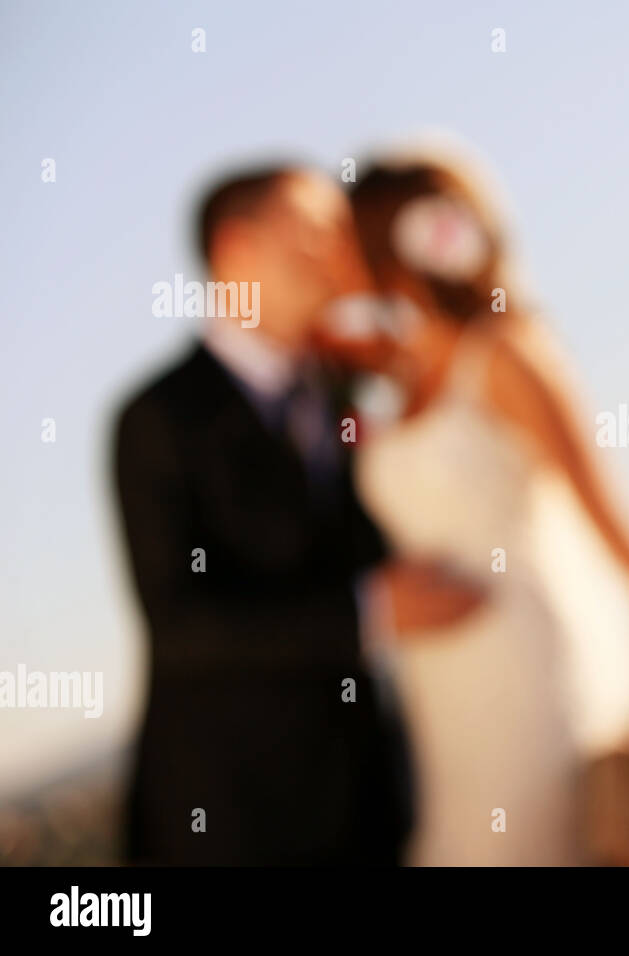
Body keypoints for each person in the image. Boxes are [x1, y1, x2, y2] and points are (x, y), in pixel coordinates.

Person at [326, 151, 629, 865]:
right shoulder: (405, 366)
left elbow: (615, 524)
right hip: (444, 697)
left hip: (526, 676)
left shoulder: (508, 357)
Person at [112, 166, 478, 865]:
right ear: (234, 247)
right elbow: (182, 622)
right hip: (232, 821)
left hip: (373, 806)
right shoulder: (156, 418)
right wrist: (371, 611)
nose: (339, 251)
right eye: (315, 231)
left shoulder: (347, 387)